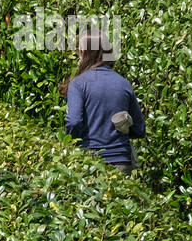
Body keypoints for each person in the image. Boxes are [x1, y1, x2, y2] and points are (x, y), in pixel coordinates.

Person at [60, 26, 145, 174]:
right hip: (122, 161)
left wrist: (69, 143)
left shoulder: (79, 84)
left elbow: (74, 122)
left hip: (91, 161)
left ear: (85, 53)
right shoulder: (123, 83)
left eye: (79, 51)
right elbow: (139, 129)